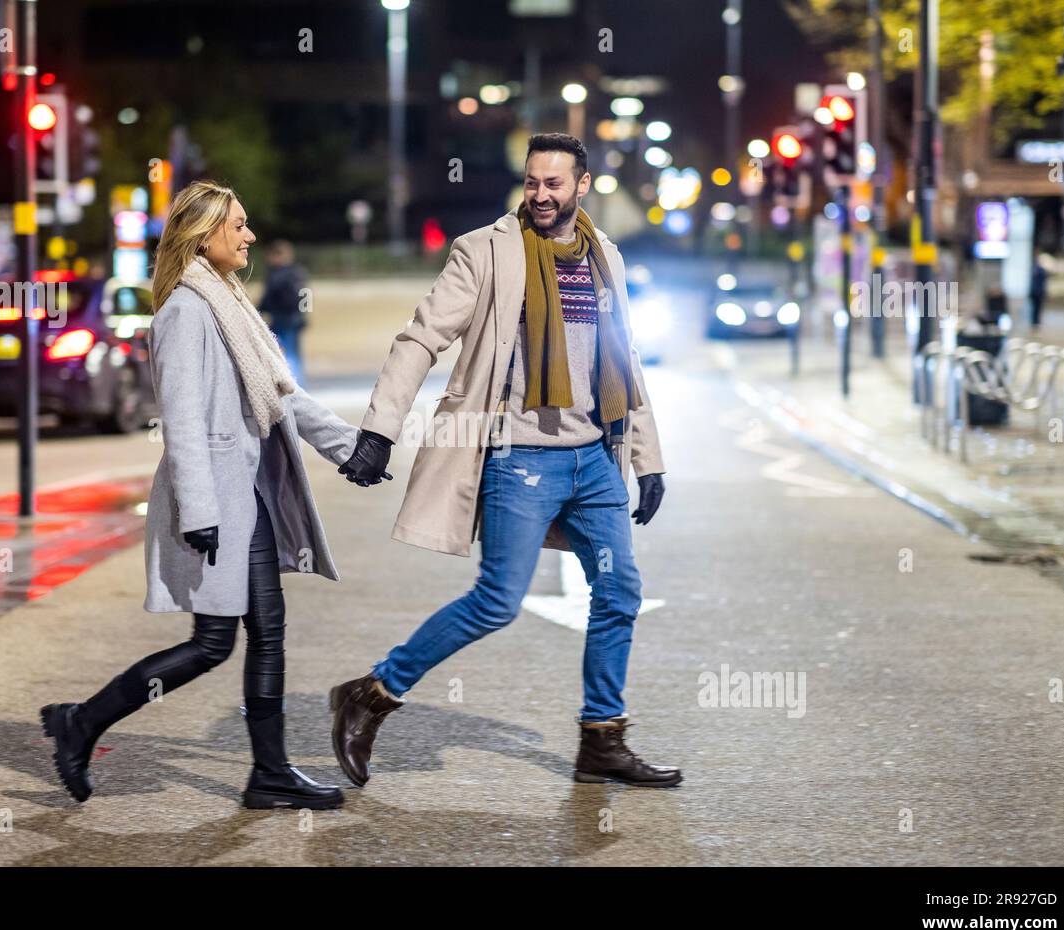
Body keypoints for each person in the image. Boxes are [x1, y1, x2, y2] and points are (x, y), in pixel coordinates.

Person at [329, 133, 681, 789]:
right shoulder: (487, 252)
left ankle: (602, 738)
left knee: (619, 589)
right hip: (521, 458)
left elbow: (623, 359)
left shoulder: (605, 256)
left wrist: (647, 457)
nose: (542, 194)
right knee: (497, 601)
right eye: (533, 182)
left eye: (555, 183)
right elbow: (420, 338)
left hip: (596, 461)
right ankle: (372, 692)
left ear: (582, 186)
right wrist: (379, 427)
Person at [41, 180, 361, 810]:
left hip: (251, 498)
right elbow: (181, 420)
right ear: (204, 233)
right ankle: (80, 722)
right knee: (212, 643)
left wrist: (350, 447)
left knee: (269, 631)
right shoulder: (186, 312)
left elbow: (282, 397)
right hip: (216, 501)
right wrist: (199, 510)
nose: (249, 236)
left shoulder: (233, 304)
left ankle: (270, 774)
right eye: (237, 225)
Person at [257, 239, 309, 386]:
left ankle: (293, 384)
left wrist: (258, 312)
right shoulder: (298, 272)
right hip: (293, 319)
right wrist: (304, 316)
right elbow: (306, 294)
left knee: (285, 354)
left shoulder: (277, 274)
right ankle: (299, 384)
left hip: (283, 319)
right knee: (293, 354)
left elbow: (268, 297)